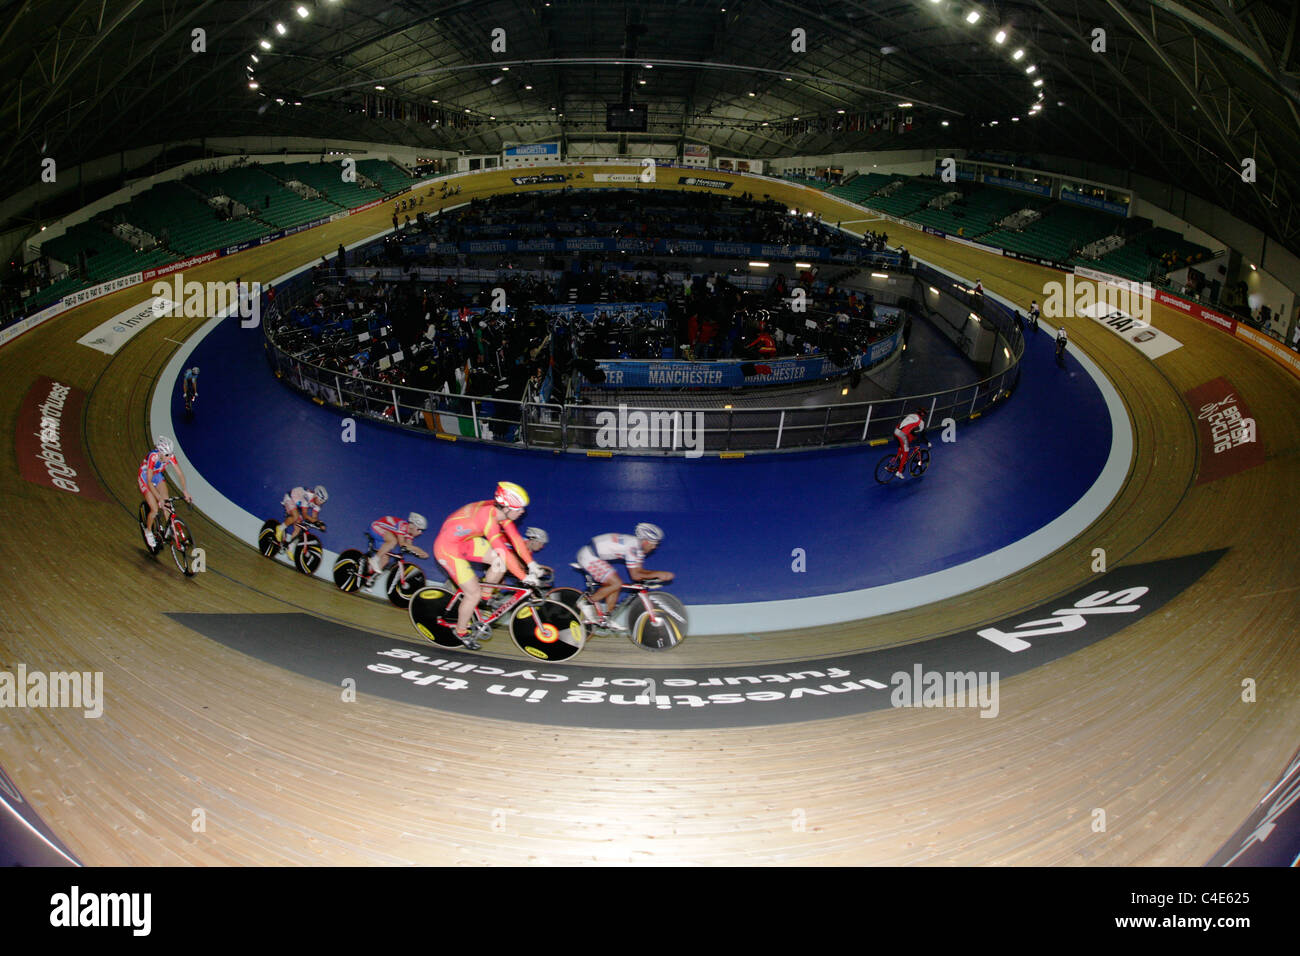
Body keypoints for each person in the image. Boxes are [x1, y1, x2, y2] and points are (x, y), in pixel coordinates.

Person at [432, 482, 543, 648]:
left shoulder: (500, 512)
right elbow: (503, 550)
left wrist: (531, 563)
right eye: (519, 508)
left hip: (465, 542)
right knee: (472, 594)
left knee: (500, 562)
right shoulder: (487, 518)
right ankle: (461, 632)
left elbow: (516, 540)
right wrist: (524, 577)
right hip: (447, 549)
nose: (522, 512)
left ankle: (486, 596)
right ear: (506, 507)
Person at [575, 523, 674, 630]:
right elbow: (635, 575)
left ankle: (606, 618)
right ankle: (586, 602)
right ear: (645, 541)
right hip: (589, 555)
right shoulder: (632, 547)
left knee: (616, 583)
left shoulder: (639, 549)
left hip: (593, 555)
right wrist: (659, 574)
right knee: (616, 583)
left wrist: (655, 576)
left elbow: (640, 571)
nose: (654, 547)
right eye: (653, 544)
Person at [138, 435, 191, 549]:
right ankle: (148, 531)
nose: (170, 457)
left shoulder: (170, 456)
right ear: (160, 453)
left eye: (171, 454)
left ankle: (170, 529)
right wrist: (158, 498)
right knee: (155, 509)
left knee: (167, 503)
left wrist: (185, 491)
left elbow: (180, 474)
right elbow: (149, 481)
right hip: (146, 477)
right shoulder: (153, 457)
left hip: (157, 475)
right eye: (167, 455)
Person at [369, 512, 429, 581]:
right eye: (419, 529)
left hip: (384, 536)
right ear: (412, 526)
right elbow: (402, 544)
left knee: (385, 560)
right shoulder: (403, 526)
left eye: (422, 531)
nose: (420, 533)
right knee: (393, 541)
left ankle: (369, 579)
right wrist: (419, 550)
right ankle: (375, 559)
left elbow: (409, 546)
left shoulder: (410, 534)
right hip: (377, 527)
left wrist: (419, 554)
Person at [892, 407, 928, 479]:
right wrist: (927, 442)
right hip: (902, 434)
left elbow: (909, 428)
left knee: (907, 440)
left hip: (896, 431)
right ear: (923, 415)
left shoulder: (911, 415)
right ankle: (899, 472)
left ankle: (899, 455)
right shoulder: (921, 422)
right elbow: (922, 434)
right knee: (906, 451)